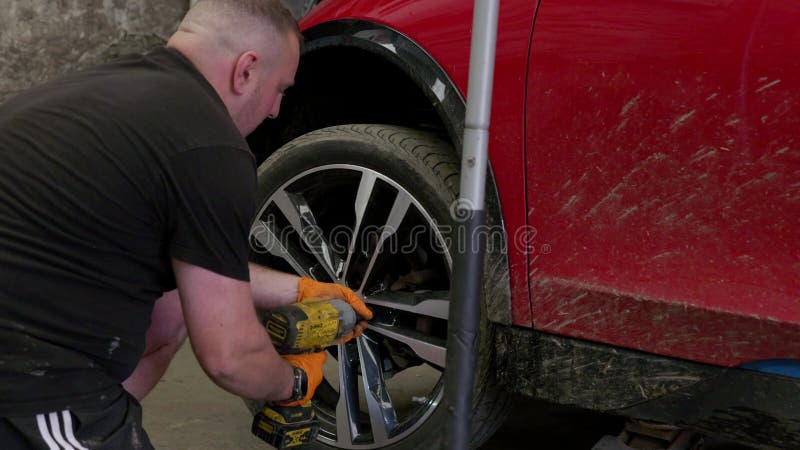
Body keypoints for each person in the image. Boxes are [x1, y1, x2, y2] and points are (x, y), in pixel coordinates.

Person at [0, 0, 372, 448]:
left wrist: (299, 291)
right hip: (30, 384)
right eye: (280, 88)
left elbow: (194, 273)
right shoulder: (212, 147)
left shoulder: (98, 93)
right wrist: (293, 383)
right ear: (246, 70)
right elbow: (230, 357)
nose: (275, 110)